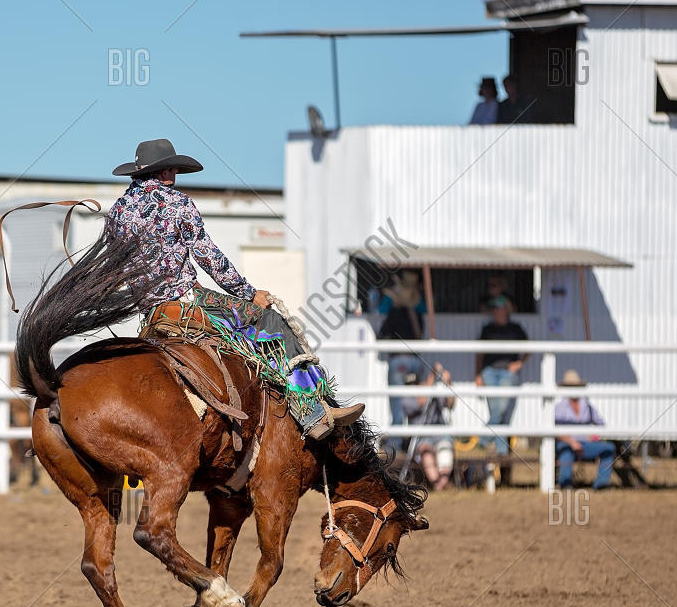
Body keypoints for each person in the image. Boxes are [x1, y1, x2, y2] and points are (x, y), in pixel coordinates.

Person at [106, 138, 362, 440]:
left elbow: (115, 266)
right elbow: (209, 257)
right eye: (172, 169)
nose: (174, 176)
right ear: (164, 172)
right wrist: (248, 293)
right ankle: (312, 411)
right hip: (186, 300)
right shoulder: (178, 204)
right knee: (271, 323)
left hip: (150, 311)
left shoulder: (117, 211)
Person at [375, 270, 427, 449]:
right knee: (414, 404)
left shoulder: (394, 313)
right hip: (415, 361)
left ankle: (395, 445)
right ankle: (414, 443)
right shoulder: (417, 314)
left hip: (399, 361)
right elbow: (420, 336)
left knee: (397, 406)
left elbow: (382, 335)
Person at [475, 295, 528, 455]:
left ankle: (483, 440)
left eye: (499, 307)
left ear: (506, 309)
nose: (496, 311)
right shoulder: (487, 329)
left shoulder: (515, 328)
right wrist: (478, 374)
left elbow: (530, 347)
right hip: (489, 371)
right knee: (497, 411)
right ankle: (502, 450)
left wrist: (519, 363)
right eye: (494, 308)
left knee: (501, 409)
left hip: (507, 373)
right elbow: (479, 353)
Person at [555, 370, 615, 489]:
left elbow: (601, 424)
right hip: (567, 443)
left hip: (586, 444)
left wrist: (595, 437)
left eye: (576, 387)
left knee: (609, 448)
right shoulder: (559, 407)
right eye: (571, 387)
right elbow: (555, 431)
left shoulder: (587, 406)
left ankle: (601, 484)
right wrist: (572, 442)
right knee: (566, 452)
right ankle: (565, 483)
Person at [403, 363, 454, 491]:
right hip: (421, 437)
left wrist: (449, 384)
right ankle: (439, 485)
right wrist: (431, 379)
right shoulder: (406, 399)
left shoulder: (432, 392)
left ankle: (442, 483)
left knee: (445, 447)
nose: (414, 388)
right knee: (426, 452)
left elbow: (450, 404)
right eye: (411, 386)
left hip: (439, 433)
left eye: (416, 384)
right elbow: (421, 402)